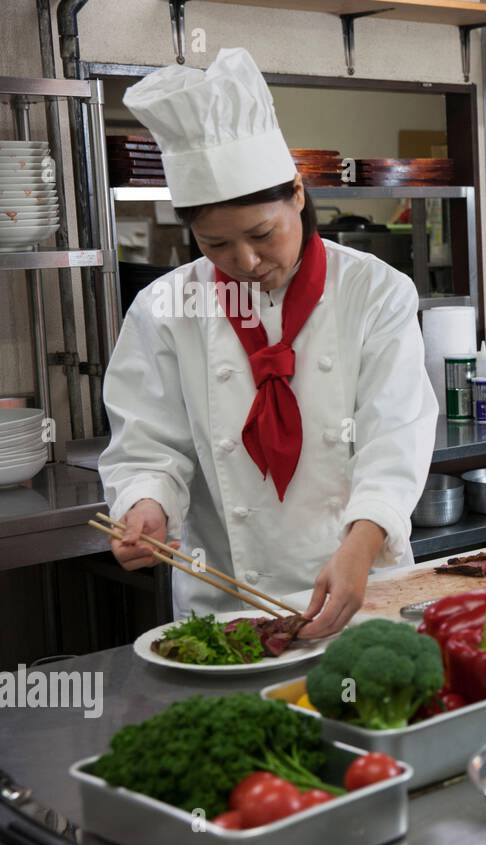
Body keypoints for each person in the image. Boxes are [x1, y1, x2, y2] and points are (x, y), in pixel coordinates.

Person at [99, 48, 437, 638]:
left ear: (299, 195)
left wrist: (362, 543)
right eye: (215, 245)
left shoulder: (375, 291)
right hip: (225, 601)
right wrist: (146, 504)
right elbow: (148, 445)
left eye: (262, 235)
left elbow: (395, 434)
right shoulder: (164, 308)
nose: (246, 262)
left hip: (361, 584)